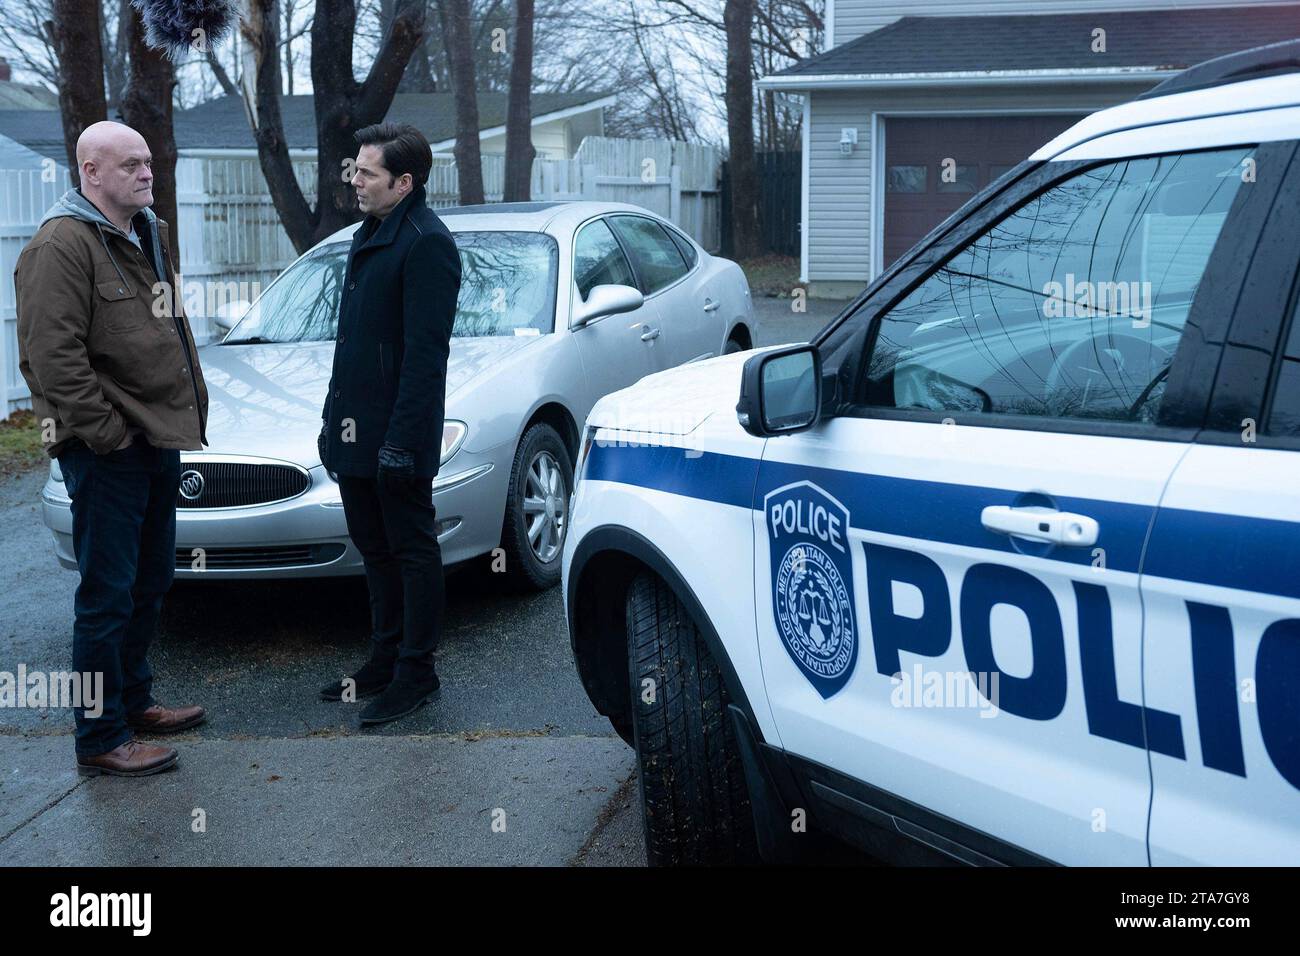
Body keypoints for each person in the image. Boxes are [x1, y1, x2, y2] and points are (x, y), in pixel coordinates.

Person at [15, 121, 209, 777]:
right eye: (130, 164)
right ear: (91, 172)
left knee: (150, 581)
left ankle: (135, 702)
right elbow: (51, 358)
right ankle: (100, 737)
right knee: (106, 596)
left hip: (156, 436)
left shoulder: (147, 231)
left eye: (148, 161)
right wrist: (106, 435)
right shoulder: (59, 246)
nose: (147, 173)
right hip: (107, 450)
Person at [317, 123, 461, 725]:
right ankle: (384, 658)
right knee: (374, 550)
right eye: (354, 169)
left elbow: (426, 357)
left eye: (366, 173)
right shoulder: (370, 234)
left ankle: (416, 672)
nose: (354, 180)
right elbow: (353, 343)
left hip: (399, 432)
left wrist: (401, 443)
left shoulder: (427, 243)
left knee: (411, 549)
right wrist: (332, 421)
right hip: (356, 428)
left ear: (404, 183)